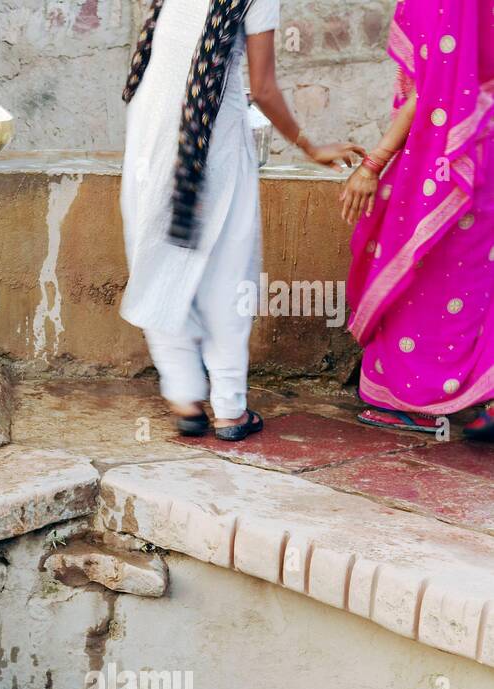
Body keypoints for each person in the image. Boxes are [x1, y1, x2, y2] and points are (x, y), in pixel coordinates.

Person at [120, 0, 362, 440]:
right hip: (215, 135)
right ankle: (229, 408)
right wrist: (310, 146)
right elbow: (263, 89)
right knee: (228, 273)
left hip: (151, 133)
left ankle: (185, 396)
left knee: (156, 256)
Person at [341, 0, 494, 440]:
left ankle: (410, 401)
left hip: (459, 159)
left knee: (426, 276)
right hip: (481, 146)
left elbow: (435, 91)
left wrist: (374, 164)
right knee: (478, 282)